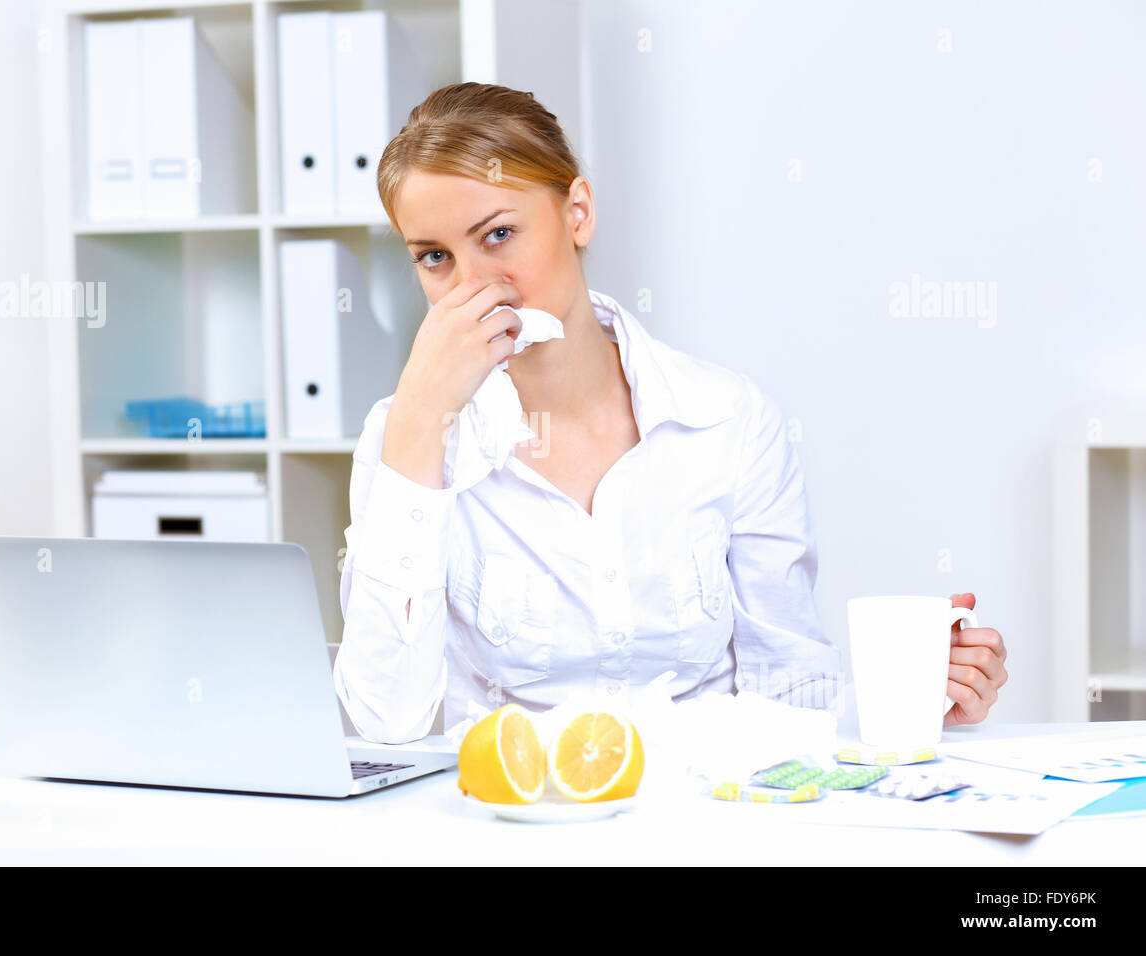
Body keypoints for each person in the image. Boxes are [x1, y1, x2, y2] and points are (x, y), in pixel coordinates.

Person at [332, 82, 1008, 744]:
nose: (472, 285)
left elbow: (788, 693)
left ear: (578, 213)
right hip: (507, 824)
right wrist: (421, 418)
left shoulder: (730, 421)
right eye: (435, 258)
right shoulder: (405, 438)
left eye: (500, 233)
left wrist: (915, 694)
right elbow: (385, 720)